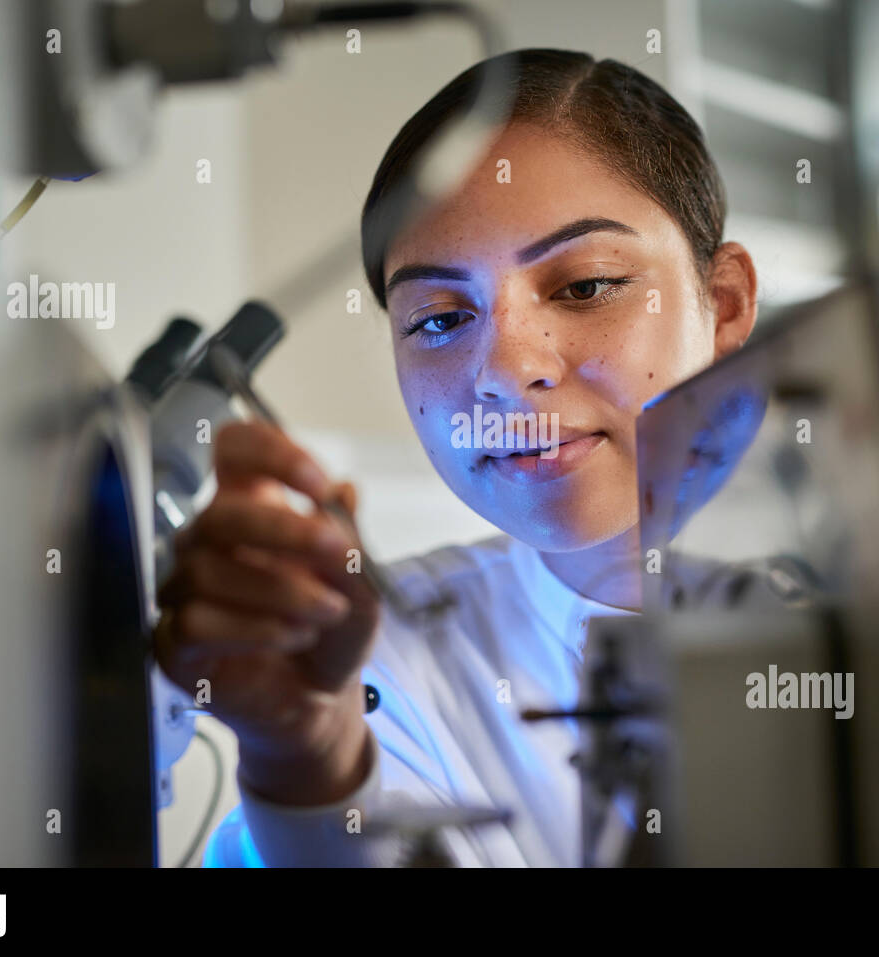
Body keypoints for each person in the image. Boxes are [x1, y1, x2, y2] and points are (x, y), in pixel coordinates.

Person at [152, 47, 754, 866]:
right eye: (439, 319)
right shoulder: (372, 668)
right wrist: (307, 762)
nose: (505, 370)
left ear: (723, 305)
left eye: (585, 285)